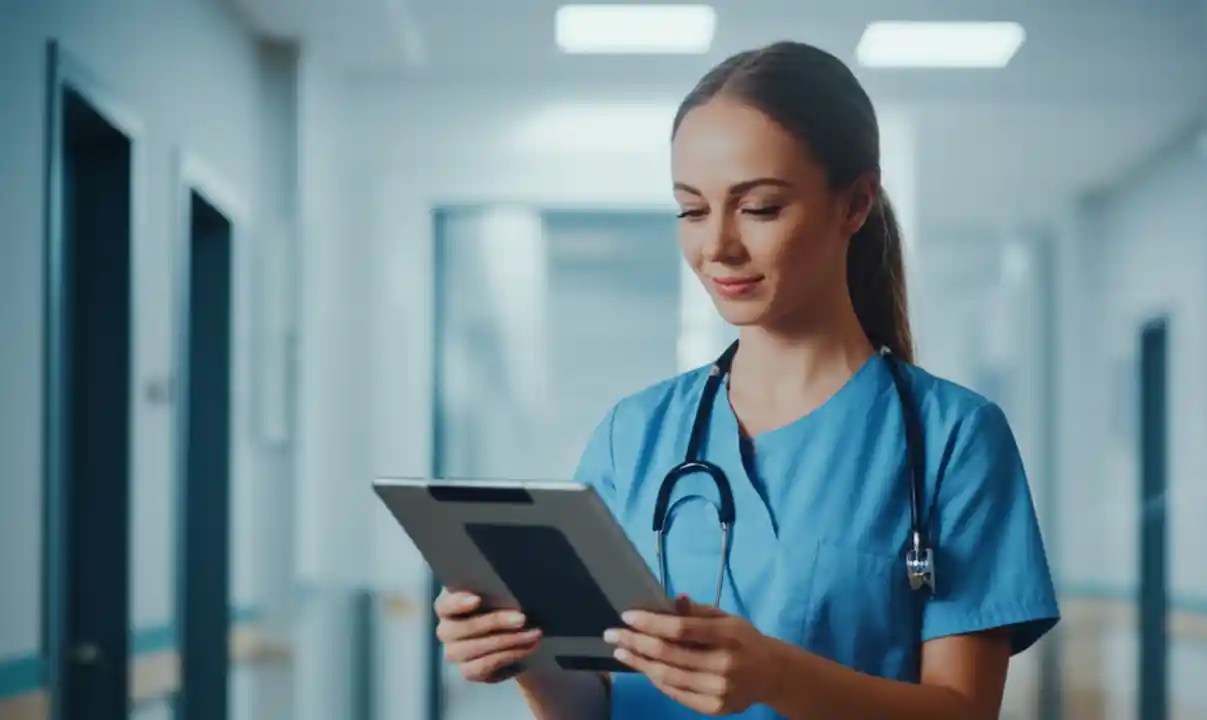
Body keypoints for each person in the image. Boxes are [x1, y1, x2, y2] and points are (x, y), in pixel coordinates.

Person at [433, 40, 1060, 719]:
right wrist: (527, 659)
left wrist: (775, 676)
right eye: (692, 210)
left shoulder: (953, 440)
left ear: (853, 204)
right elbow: (596, 704)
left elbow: (965, 711)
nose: (717, 247)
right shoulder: (635, 436)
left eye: (759, 208)